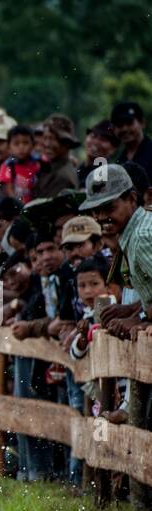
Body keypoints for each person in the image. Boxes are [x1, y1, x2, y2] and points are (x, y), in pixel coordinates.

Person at [79, 163, 151, 338]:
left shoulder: (142, 237)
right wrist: (132, 310)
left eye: (110, 208)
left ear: (132, 198)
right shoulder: (136, 230)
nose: (102, 217)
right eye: (96, 211)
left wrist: (138, 318)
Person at [111, 101, 152, 179]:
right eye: (119, 124)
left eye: (129, 123)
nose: (124, 129)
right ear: (113, 129)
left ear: (142, 123)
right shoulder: (119, 162)